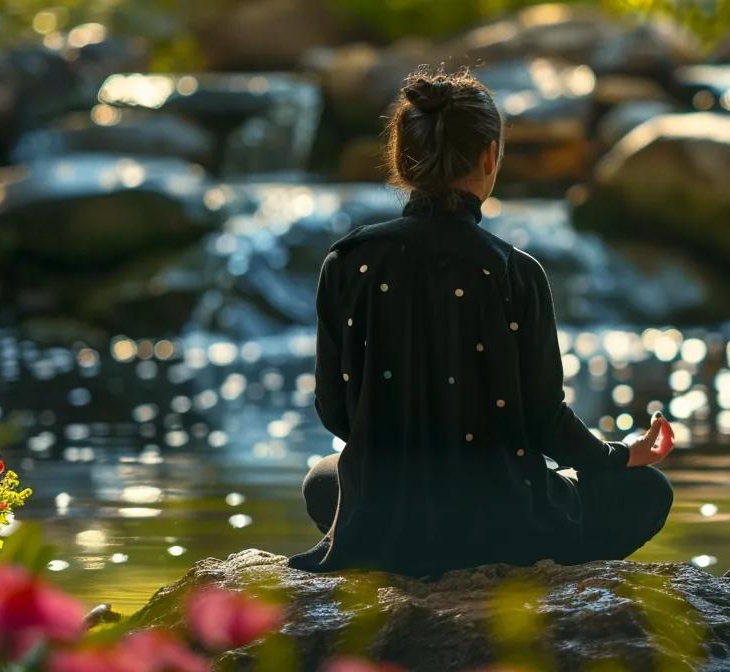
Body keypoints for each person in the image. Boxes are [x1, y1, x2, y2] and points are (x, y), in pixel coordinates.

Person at [288, 69, 675, 577]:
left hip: (386, 521)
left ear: (404, 158)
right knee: (647, 490)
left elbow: (336, 411)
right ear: (490, 156)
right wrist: (619, 455)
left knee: (323, 480)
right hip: (508, 526)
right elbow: (546, 423)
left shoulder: (347, 261)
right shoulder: (516, 271)